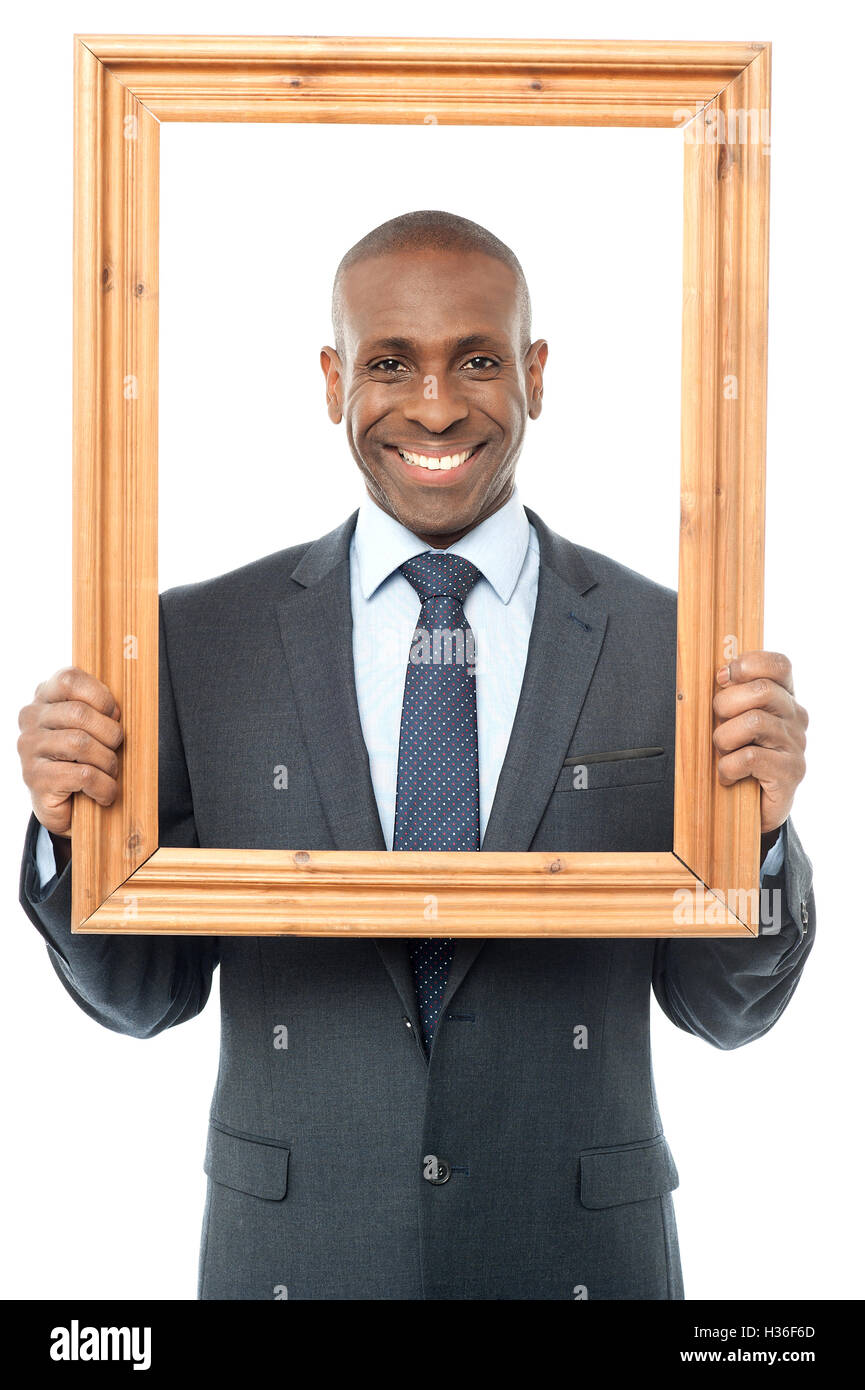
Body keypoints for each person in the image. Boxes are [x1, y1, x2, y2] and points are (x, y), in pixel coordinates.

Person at [17, 210, 814, 1301]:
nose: (435, 404)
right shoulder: (195, 640)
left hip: (579, 1260)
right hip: (295, 1258)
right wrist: (71, 834)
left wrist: (762, 837)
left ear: (534, 374)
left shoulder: (673, 646)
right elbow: (141, 994)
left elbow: (727, 1008)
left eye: (476, 360)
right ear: (333, 377)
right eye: (390, 363)